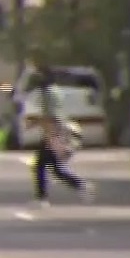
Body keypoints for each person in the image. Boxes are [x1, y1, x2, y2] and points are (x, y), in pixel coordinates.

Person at [29, 66, 94, 206]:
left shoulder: (48, 93)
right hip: (57, 131)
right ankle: (80, 185)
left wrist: (49, 135)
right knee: (54, 168)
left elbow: (51, 116)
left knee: (41, 165)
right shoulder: (53, 91)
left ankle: (42, 198)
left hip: (54, 132)